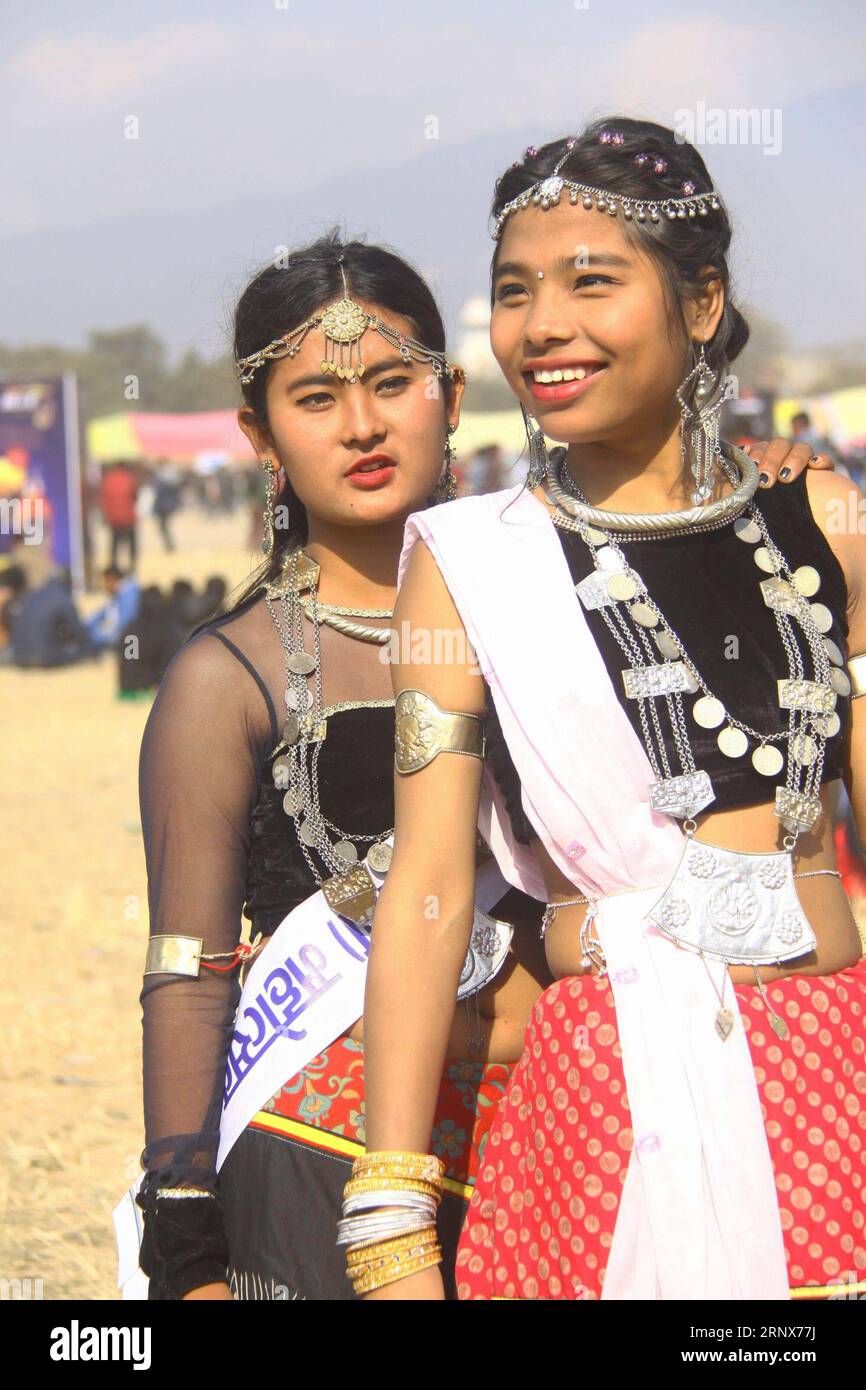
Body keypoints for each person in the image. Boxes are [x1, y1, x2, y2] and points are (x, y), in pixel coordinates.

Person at [358, 117, 865, 1301]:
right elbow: (426, 885)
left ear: (700, 302)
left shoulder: (825, 521)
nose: (541, 326)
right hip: (609, 1110)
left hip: (836, 1088)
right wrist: (388, 1216)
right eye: (513, 290)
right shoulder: (471, 563)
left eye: (590, 282)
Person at [134, 231, 554, 1302]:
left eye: (391, 383)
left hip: (559, 1135)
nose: (362, 424)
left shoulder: (560, 611)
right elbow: (188, 969)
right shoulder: (228, 677)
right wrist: (185, 1249)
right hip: (315, 1150)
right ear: (258, 433)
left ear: (451, 394)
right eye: (316, 398)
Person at [11, 568, 95, 668]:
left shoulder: (33, 595)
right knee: (90, 649)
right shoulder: (63, 598)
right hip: (43, 658)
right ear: (68, 582)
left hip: (18, 657)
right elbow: (79, 633)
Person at [86, 564, 141, 650]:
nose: (104, 586)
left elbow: (126, 626)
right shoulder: (118, 593)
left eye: (105, 582)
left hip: (129, 640)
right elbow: (101, 614)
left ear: (111, 579)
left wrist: (98, 634)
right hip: (118, 635)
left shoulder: (129, 593)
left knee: (92, 639)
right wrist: (84, 627)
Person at [99, 460, 140, 569]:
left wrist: (106, 514)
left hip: (114, 517)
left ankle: (114, 565)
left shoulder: (109, 480)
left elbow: (104, 499)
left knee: (115, 543)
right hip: (128, 516)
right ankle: (132, 565)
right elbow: (134, 496)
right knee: (131, 543)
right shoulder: (129, 478)